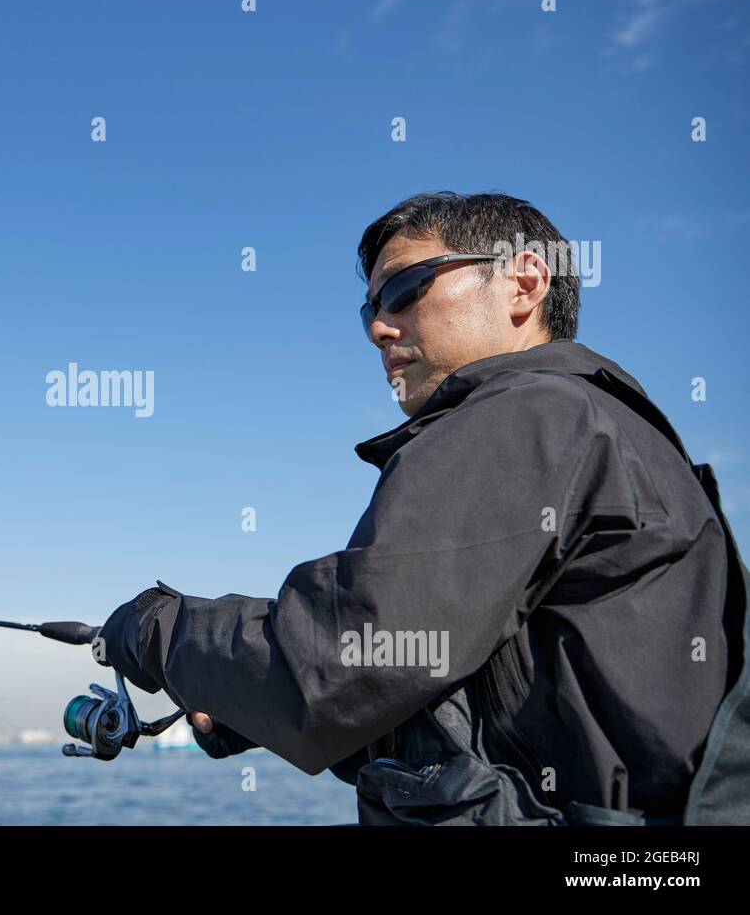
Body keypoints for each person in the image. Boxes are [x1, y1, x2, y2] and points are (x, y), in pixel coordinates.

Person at [99, 191, 748, 825]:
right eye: (370, 311)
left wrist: (162, 630)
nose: (381, 325)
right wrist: (246, 703)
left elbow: (347, 653)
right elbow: (460, 692)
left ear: (523, 282)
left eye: (406, 288)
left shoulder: (527, 414)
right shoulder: (597, 422)